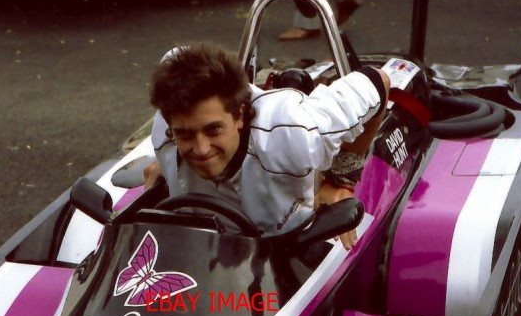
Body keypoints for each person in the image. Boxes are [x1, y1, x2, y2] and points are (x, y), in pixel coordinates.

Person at [146, 43, 389, 239]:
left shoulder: (294, 131)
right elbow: (175, 57)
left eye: (213, 130)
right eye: (185, 134)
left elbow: (377, 80)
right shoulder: (167, 127)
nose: (200, 149)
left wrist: (340, 179)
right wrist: (166, 162)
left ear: (239, 115)